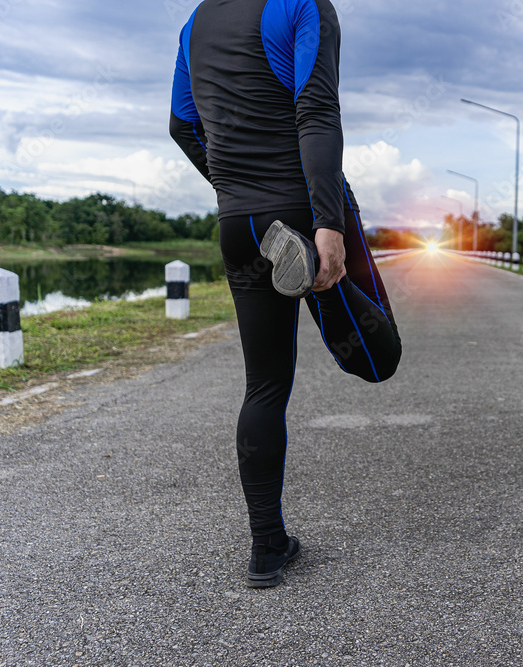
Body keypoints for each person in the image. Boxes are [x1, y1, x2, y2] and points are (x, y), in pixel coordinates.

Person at [169, 0, 402, 588]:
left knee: (265, 385)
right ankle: (324, 276)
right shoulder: (303, 5)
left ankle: (267, 548)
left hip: (238, 222)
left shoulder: (195, 21)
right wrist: (328, 223)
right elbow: (316, 109)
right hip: (299, 210)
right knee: (381, 358)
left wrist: (229, 183)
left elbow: (181, 123)